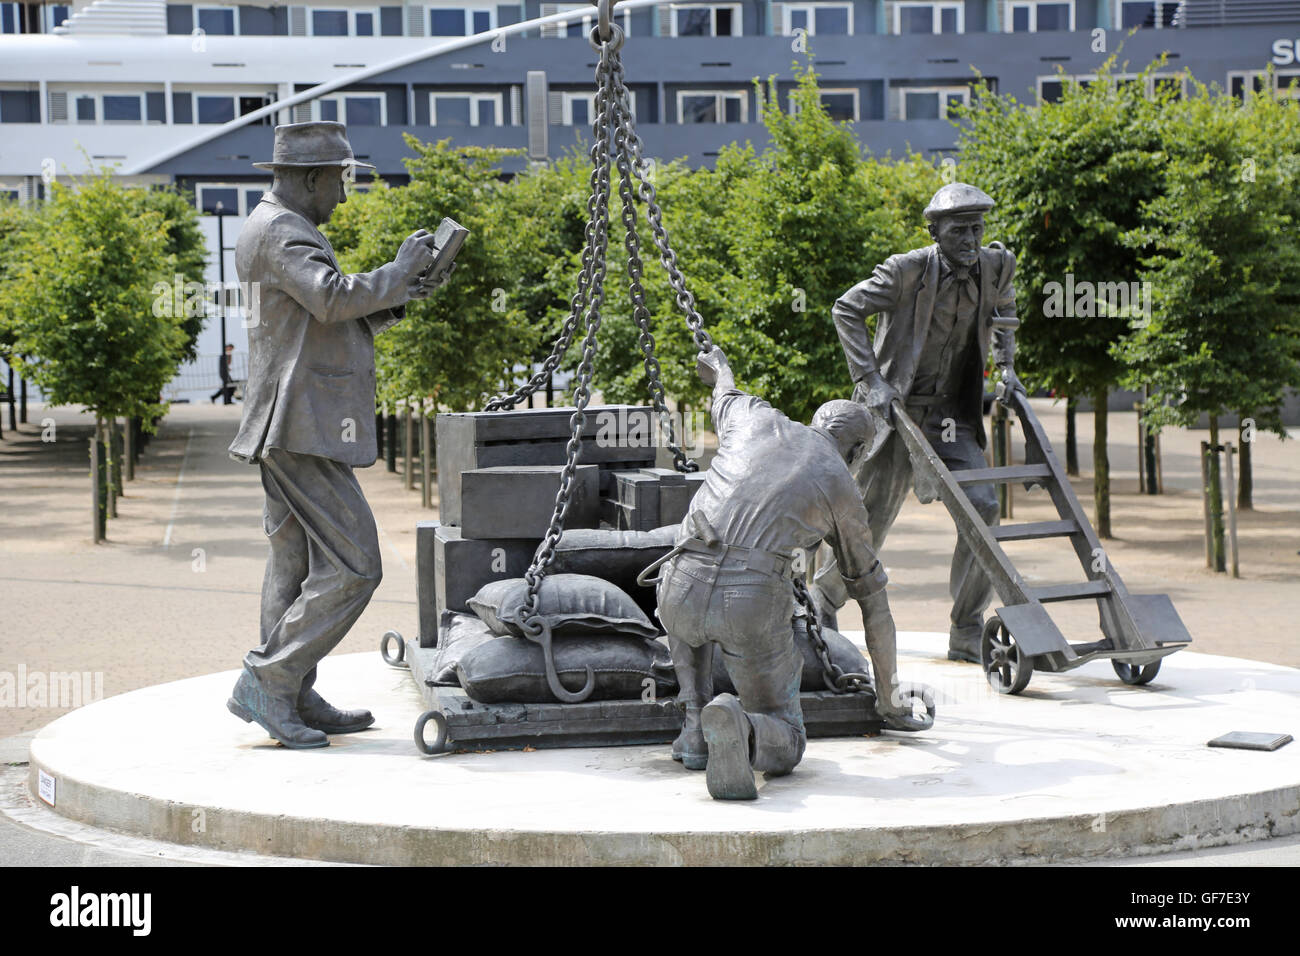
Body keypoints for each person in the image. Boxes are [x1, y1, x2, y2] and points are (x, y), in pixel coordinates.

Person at [225, 121, 455, 748]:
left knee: (293, 566)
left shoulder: (282, 227)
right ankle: (270, 681)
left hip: (289, 420)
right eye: (338, 179)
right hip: (298, 424)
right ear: (307, 178)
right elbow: (328, 300)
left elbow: (323, 319)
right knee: (357, 564)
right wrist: (396, 268)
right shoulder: (280, 231)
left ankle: (289, 693)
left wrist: (401, 291)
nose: (343, 194)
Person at [656, 346, 922, 801]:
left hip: (676, 581)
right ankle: (746, 729)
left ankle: (695, 727)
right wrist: (888, 697)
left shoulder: (753, 415)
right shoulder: (843, 489)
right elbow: (875, 607)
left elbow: (724, 388)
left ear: (816, 423)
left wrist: (719, 363)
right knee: (788, 733)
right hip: (749, 604)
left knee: (691, 586)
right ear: (857, 451)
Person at [828, 182, 1024, 664]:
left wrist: (1007, 368)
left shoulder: (997, 265)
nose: (970, 239)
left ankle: (966, 628)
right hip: (897, 415)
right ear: (935, 231)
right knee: (869, 522)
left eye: (977, 229)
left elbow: (1006, 313)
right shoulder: (906, 270)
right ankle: (822, 603)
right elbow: (845, 308)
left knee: (983, 509)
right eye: (959, 230)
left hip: (952, 416)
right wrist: (871, 379)